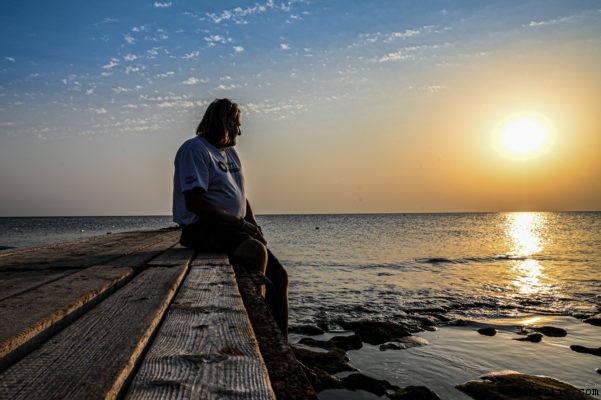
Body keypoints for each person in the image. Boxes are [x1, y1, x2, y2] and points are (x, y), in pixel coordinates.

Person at [172, 98, 288, 339]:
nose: (240, 130)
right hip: (202, 227)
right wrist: (239, 224)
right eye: (237, 124)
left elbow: (240, 195)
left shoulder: (231, 154)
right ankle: (257, 330)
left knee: (279, 276)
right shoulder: (195, 150)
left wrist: (253, 225)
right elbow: (195, 203)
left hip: (232, 227)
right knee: (256, 253)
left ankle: (282, 342)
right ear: (224, 122)